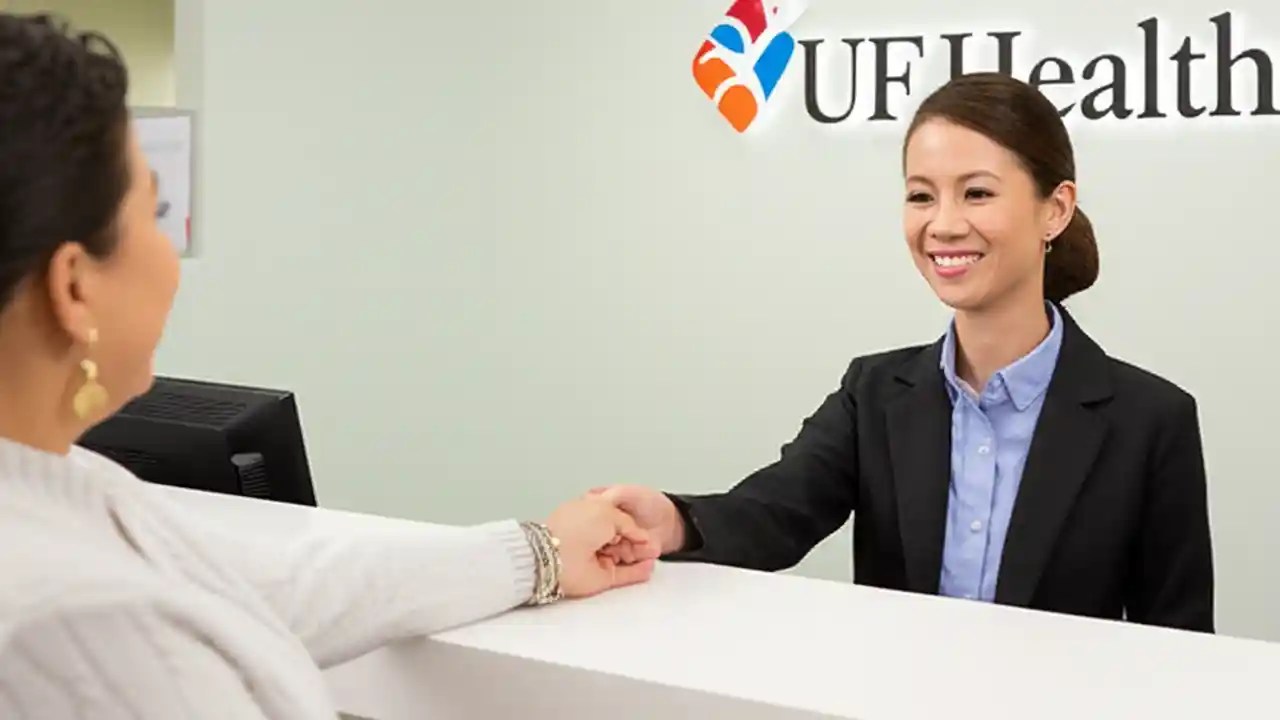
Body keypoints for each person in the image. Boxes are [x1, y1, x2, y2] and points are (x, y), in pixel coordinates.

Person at [0, 14, 658, 719]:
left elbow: (283, 589)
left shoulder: (71, 487)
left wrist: (543, 552)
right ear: (74, 287)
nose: (171, 260)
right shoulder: (82, 634)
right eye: (154, 214)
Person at [594, 72, 1215, 632]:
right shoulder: (875, 393)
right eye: (921, 196)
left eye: (976, 193)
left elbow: (1180, 649)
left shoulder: (1150, 421)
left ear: (1055, 209)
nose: (942, 224)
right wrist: (673, 520)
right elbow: (775, 511)